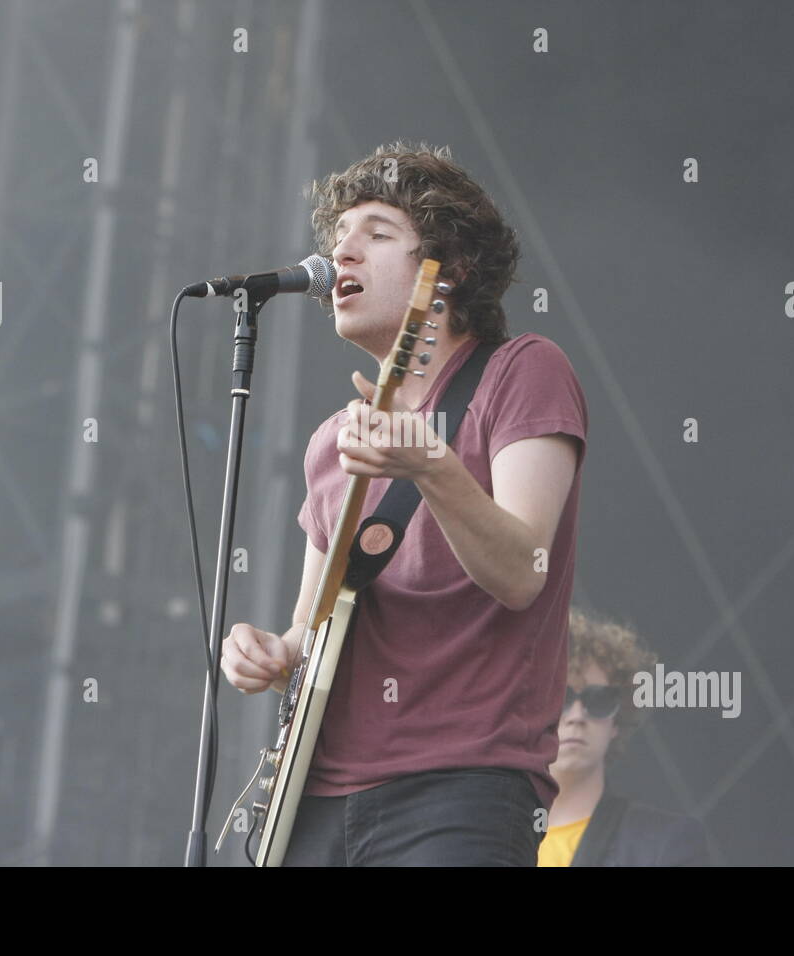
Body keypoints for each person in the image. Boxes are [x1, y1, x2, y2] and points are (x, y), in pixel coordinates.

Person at [220, 142, 588, 866]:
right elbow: (313, 624)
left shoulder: (523, 371)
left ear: (446, 271)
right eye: (338, 238)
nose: (342, 254)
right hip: (313, 799)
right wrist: (270, 651)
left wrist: (430, 464)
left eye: (376, 234)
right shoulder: (333, 442)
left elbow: (522, 571)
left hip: (459, 788)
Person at [540, 607, 712, 866]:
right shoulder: (486, 834)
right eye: (562, 698)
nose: (577, 715)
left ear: (616, 722)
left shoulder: (665, 843)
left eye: (599, 700)